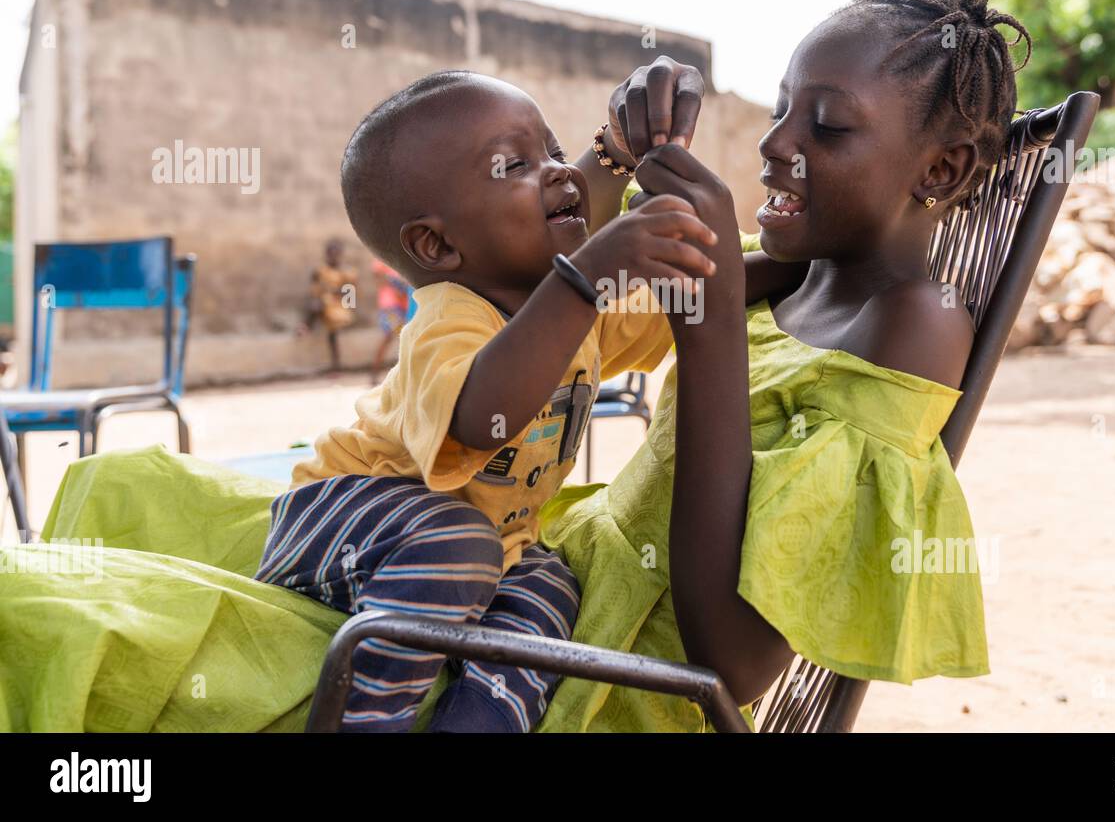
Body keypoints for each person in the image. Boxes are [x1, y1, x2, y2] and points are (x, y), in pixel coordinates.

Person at [537, 0, 1023, 731]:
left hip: (604, 692)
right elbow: (544, 287)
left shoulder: (914, 323)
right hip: (556, 603)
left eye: (826, 126)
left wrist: (711, 326)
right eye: (780, 110)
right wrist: (617, 148)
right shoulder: (797, 269)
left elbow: (731, 667)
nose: (773, 144)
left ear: (939, 171)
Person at [260, 71, 792, 732]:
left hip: (493, 545)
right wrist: (588, 276)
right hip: (337, 520)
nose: (561, 174)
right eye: (515, 165)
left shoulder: (583, 309)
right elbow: (487, 418)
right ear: (438, 245)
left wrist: (811, 257)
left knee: (550, 594)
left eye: (553, 148)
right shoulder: (448, 319)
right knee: (457, 541)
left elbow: (706, 288)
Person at [299, 239, 357, 372]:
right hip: (325, 304)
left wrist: (336, 293)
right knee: (316, 305)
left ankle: (336, 366)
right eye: (331, 254)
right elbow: (315, 291)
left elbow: (350, 296)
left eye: (336, 254)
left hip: (339, 307)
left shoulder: (347, 273)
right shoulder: (320, 271)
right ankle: (306, 326)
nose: (333, 257)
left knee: (333, 332)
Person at [370, 258, 410, 384]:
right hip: (391, 306)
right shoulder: (382, 260)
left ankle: (375, 374)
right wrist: (396, 282)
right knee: (401, 338)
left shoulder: (400, 260)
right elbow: (379, 279)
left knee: (396, 338)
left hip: (402, 305)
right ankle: (376, 375)